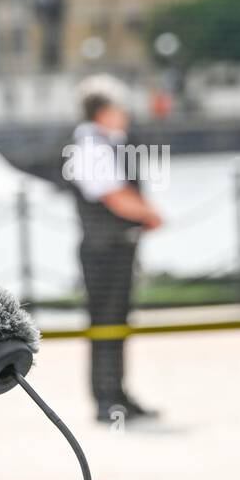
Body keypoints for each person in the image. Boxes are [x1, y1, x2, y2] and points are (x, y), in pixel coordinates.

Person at [64, 74, 163, 423]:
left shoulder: (103, 143)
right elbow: (113, 195)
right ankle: (106, 399)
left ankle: (117, 393)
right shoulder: (91, 146)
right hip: (103, 250)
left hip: (116, 248)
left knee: (116, 320)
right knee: (106, 322)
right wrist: (149, 215)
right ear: (103, 111)